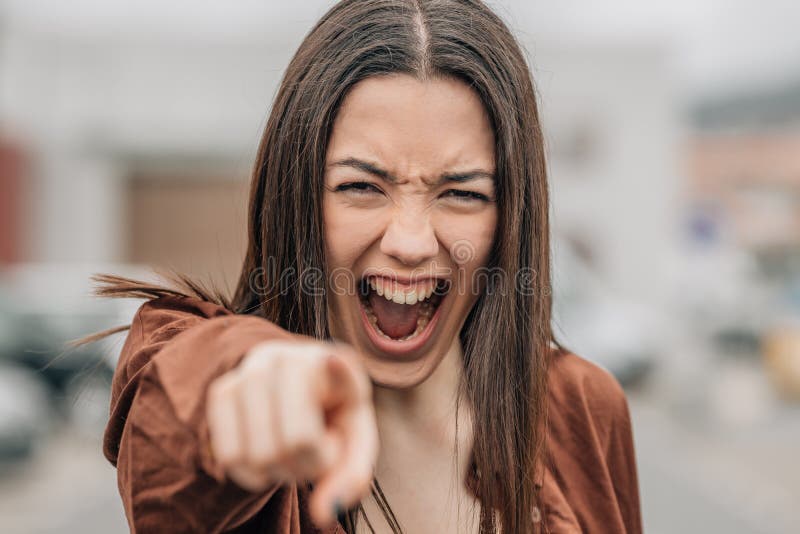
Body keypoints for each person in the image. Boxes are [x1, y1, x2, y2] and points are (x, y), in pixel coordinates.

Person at [87, 1, 643, 532]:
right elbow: (175, 421)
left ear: (510, 218)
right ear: (296, 195)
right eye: (360, 186)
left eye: (463, 194)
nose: (409, 241)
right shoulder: (187, 355)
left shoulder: (583, 408)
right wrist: (247, 392)